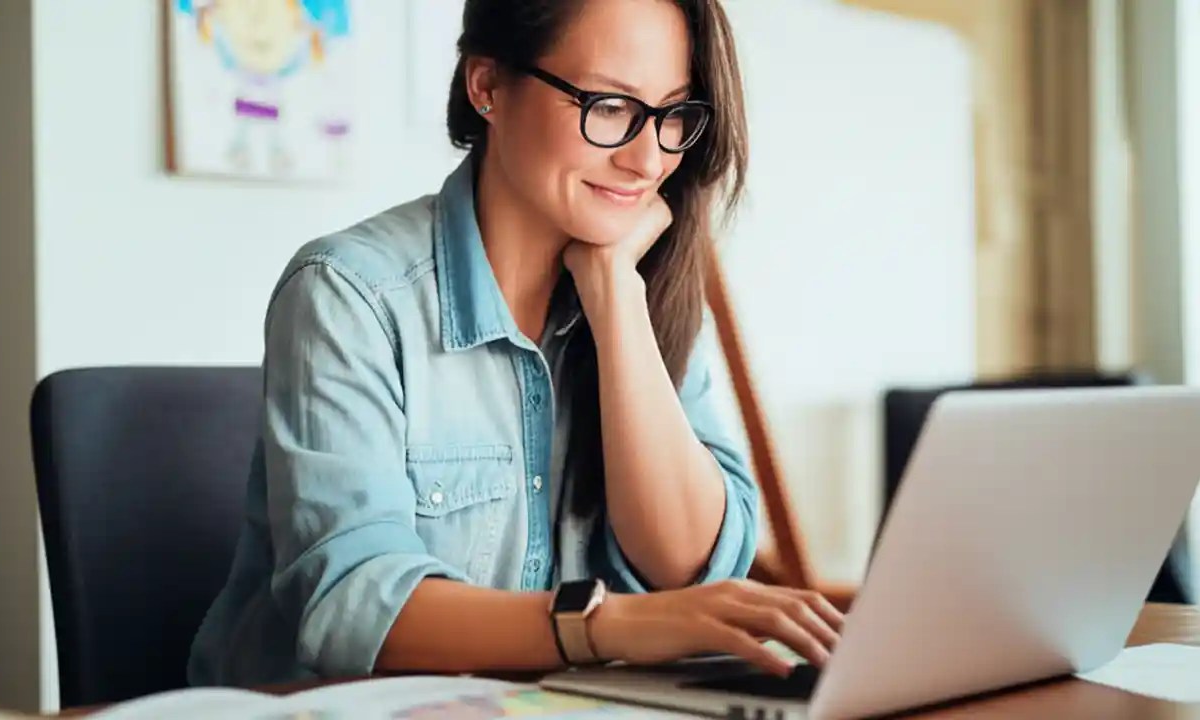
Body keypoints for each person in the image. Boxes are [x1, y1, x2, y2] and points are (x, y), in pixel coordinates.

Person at [188, 0, 844, 687]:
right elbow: (354, 605)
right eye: (609, 106)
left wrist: (615, 295)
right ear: (488, 86)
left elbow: (690, 567)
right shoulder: (351, 293)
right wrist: (604, 626)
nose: (648, 159)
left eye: (673, 114)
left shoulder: (641, 288)